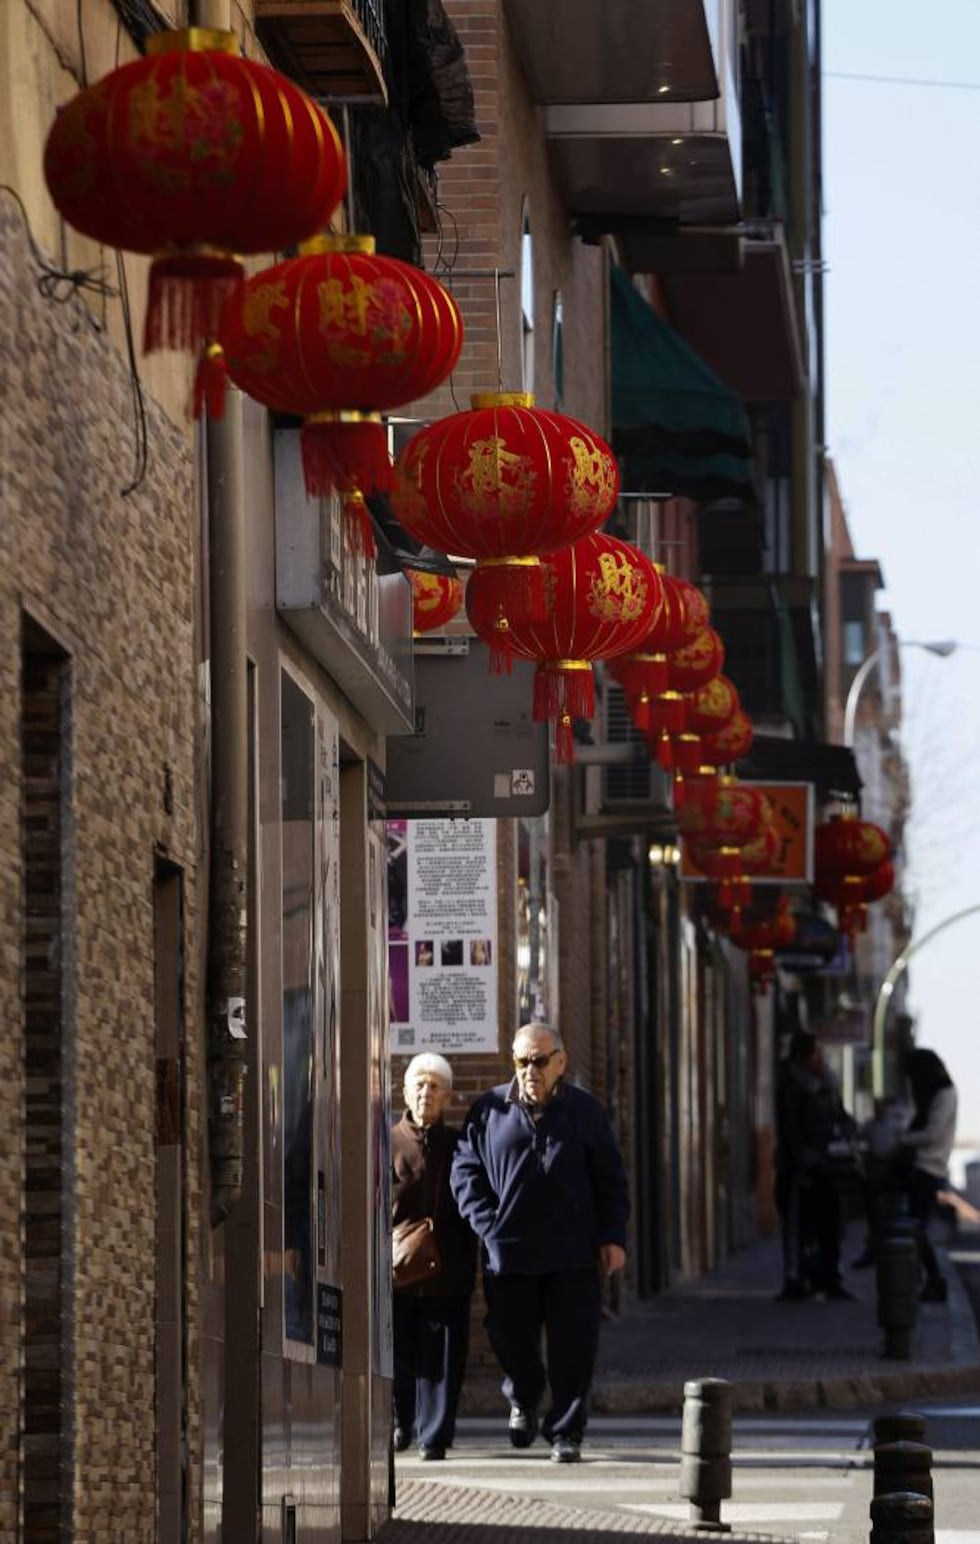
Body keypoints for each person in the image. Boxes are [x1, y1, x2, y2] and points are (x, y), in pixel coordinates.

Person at [450, 1023, 629, 1464]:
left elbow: (610, 1178)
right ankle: (525, 1397)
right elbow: (464, 1171)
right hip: (508, 1252)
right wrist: (487, 1224)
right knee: (508, 1337)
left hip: (572, 1251)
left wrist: (612, 1237)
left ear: (560, 1062)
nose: (530, 1070)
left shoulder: (585, 1111)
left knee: (574, 1344)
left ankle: (566, 1430)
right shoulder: (490, 1110)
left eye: (540, 1060)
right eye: (521, 1061)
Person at [391, 1053, 477, 1460]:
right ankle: (399, 1423)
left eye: (435, 1087)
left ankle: (435, 1436)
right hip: (396, 1271)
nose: (426, 1093)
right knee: (399, 1354)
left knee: (442, 1359)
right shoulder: (386, 1142)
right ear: (405, 1092)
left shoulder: (461, 1145)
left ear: (448, 1097)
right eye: (419, 1085)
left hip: (449, 1271)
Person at [774, 1030, 854, 1301]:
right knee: (798, 1226)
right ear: (802, 1057)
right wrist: (802, 1158)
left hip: (829, 1165)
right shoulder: (791, 1085)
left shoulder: (828, 1085)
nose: (820, 1059)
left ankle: (830, 1277)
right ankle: (797, 1279)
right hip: (800, 1169)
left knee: (830, 1225)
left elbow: (841, 1116)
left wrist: (846, 1130)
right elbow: (790, 1129)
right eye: (814, 1054)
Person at [899, 1048, 958, 1303]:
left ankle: (934, 1280)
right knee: (914, 1227)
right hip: (920, 1168)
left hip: (929, 1168)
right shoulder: (933, 1096)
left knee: (917, 1228)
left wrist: (902, 1139)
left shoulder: (944, 1096)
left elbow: (933, 1134)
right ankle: (924, 1279)